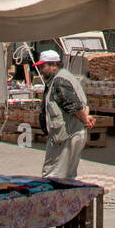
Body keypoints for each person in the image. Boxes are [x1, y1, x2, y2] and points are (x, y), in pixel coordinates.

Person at [36, 49, 95, 180]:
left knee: (52, 175)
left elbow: (73, 105)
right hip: (72, 133)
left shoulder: (59, 81)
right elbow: (83, 104)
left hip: (66, 136)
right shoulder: (64, 77)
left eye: (43, 66)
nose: (40, 70)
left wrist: (85, 119)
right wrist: (86, 117)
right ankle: (68, 199)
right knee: (68, 176)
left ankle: (52, 199)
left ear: (53, 65)